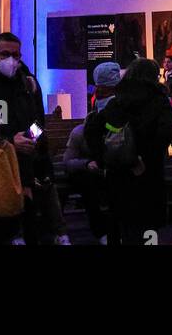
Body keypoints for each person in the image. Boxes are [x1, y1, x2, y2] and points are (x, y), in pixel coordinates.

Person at [0, 31, 54, 244]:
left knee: (29, 225)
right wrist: (9, 140)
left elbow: (39, 120)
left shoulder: (27, 81)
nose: (11, 60)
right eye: (5, 54)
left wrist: (31, 138)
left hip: (26, 164)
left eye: (16, 55)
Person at [85, 58, 172, 245]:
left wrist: (103, 158)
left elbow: (93, 129)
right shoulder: (160, 101)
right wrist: (143, 158)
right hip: (149, 175)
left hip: (119, 176)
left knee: (122, 227)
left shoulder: (119, 100)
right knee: (149, 231)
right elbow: (164, 135)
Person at [64, 61, 121, 242]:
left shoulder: (122, 118)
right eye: (103, 91)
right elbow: (69, 161)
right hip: (92, 173)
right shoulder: (83, 130)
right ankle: (103, 232)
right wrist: (87, 164)